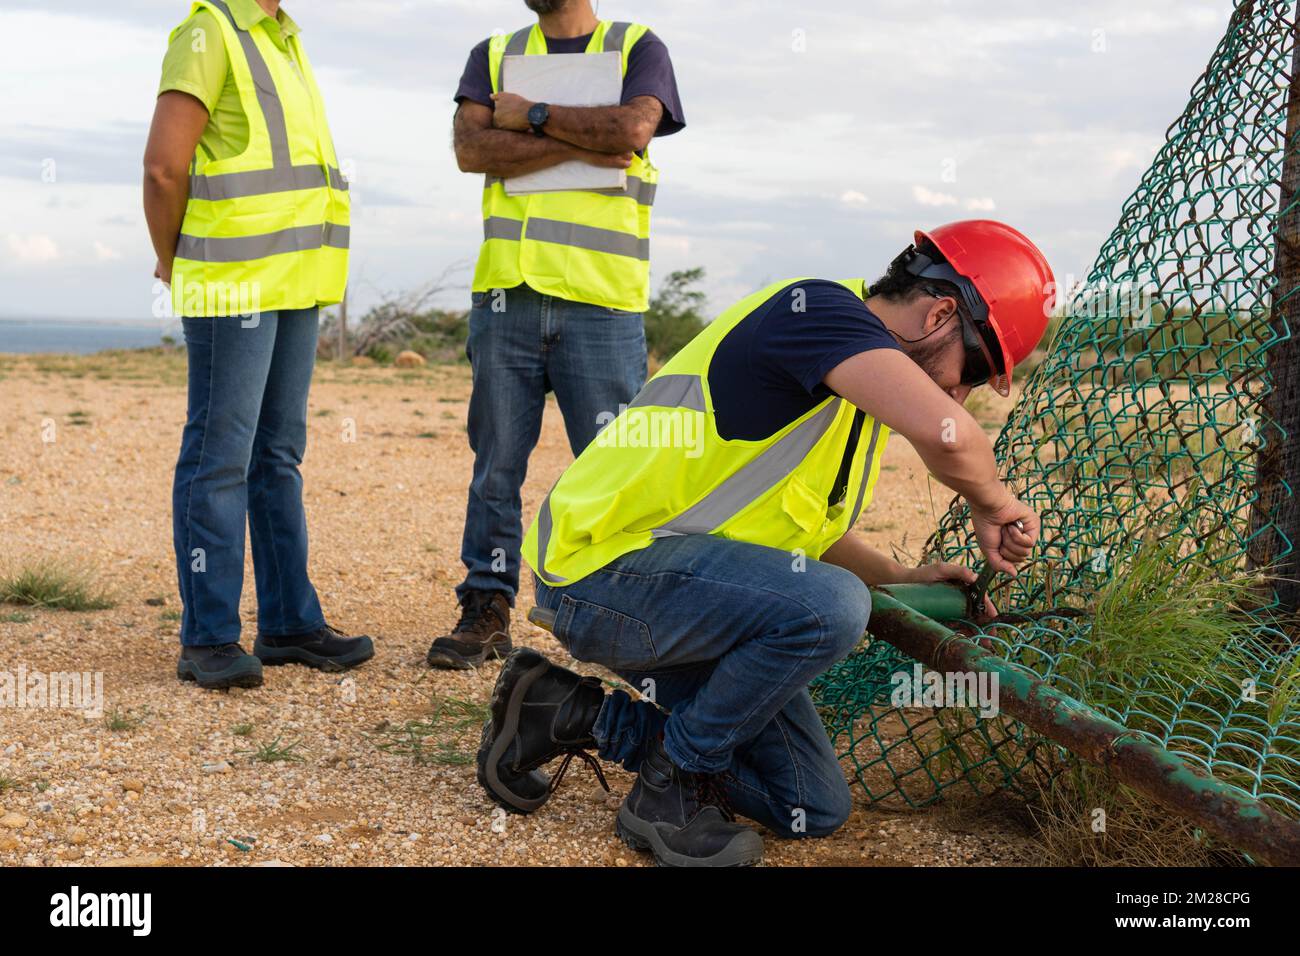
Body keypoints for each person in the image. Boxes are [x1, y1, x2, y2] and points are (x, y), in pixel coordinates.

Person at [477, 220, 1055, 866]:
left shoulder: (849, 402)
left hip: (679, 595)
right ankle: (671, 785)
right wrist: (994, 503)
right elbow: (952, 437)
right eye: (974, 368)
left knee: (810, 802)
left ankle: (562, 710)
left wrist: (900, 577)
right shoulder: (819, 314)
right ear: (941, 311)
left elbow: (807, 537)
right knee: (834, 606)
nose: (961, 392)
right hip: (598, 571)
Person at [427, 0, 686, 669]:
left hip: (600, 304)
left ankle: (631, 619)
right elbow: (472, 149)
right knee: (495, 470)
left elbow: (631, 129)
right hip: (507, 298)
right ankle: (485, 608)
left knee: (614, 473)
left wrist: (534, 116)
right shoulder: (491, 53)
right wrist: (586, 141)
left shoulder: (636, 47)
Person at [143, 0, 373, 690]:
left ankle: (289, 624)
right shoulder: (209, 30)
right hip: (234, 283)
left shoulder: (283, 40)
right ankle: (209, 637)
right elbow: (163, 168)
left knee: (276, 454)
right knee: (221, 457)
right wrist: (172, 258)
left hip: (296, 280)